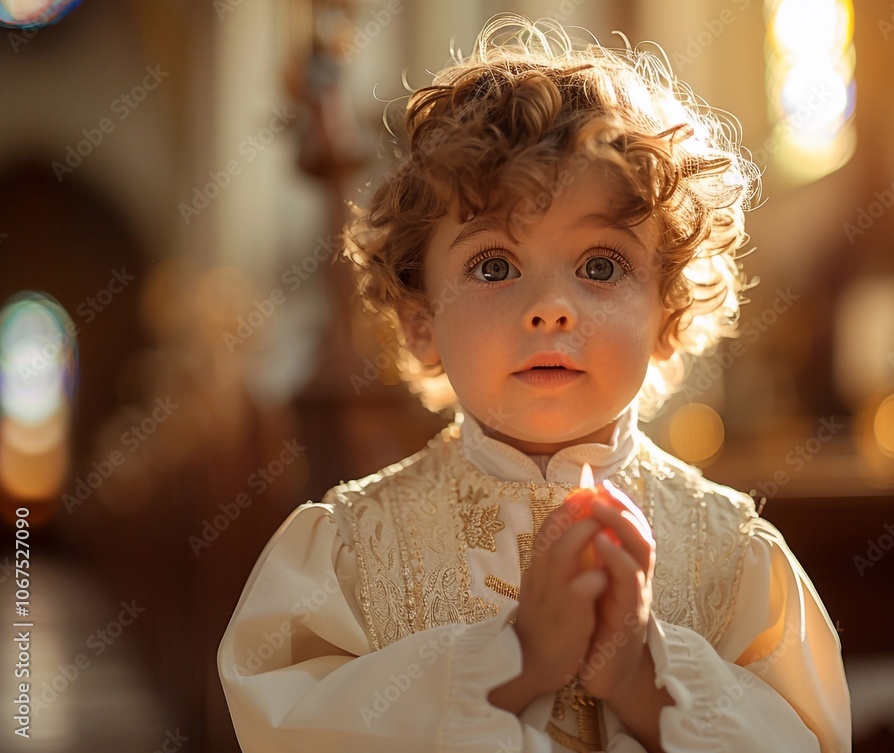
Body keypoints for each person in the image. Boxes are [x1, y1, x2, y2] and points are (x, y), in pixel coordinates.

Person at [218, 14, 851, 752]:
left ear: (668, 312)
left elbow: (804, 736)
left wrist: (643, 678)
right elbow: (293, 727)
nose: (552, 309)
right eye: (495, 266)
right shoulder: (350, 553)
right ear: (421, 316)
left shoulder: (738, 561)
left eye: (601, 265)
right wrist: (511, 660)